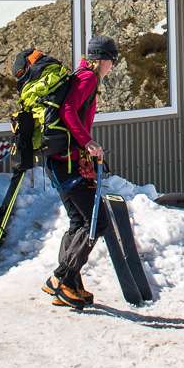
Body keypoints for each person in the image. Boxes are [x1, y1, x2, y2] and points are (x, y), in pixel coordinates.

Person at [42, 35, 118, 310]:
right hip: (69, 163)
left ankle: (69, 287)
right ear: (101, 59)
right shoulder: (87, 78)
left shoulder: (82, 76)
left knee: (78, 221)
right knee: (97, 223)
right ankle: (61, 278)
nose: (112, 66)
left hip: (60, 161)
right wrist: (87, 142)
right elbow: (69, 109)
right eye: (112, 60)